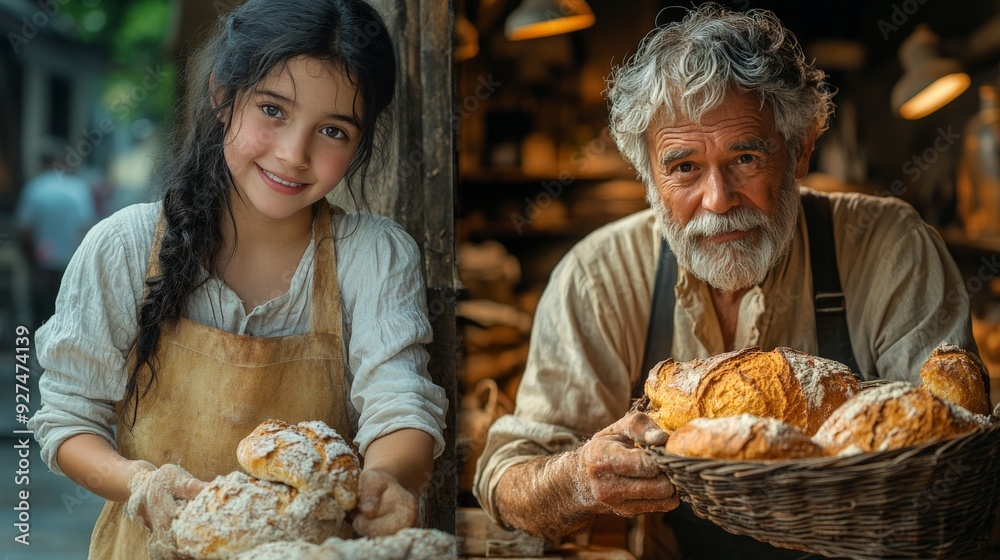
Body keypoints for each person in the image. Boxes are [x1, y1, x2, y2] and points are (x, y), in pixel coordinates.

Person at [473, 4, 979, 560]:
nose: (718, 201)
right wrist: (577, 479)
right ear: (648, 176)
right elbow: (507, 478)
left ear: (800, 150)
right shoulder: (599, 276)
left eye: (744, 157)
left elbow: (957, 468)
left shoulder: (889, 249)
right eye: (684, 167)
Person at [27, 0, 448, 558]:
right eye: (273, 110)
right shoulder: (125, 246)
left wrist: (387, 478)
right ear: (223, 96)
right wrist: (143, 485)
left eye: (332, 130)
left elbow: (401, 403)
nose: (294, 154)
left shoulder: (374, 255)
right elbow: (67, 419)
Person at [15, 153, 97, 329]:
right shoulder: (79, 188)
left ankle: (34, 349)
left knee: (40, 307)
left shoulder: (35, 187)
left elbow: (25, 229)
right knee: (66, 308)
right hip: (70, 260)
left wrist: (31, 258)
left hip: (42, 260)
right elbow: (86, 227)